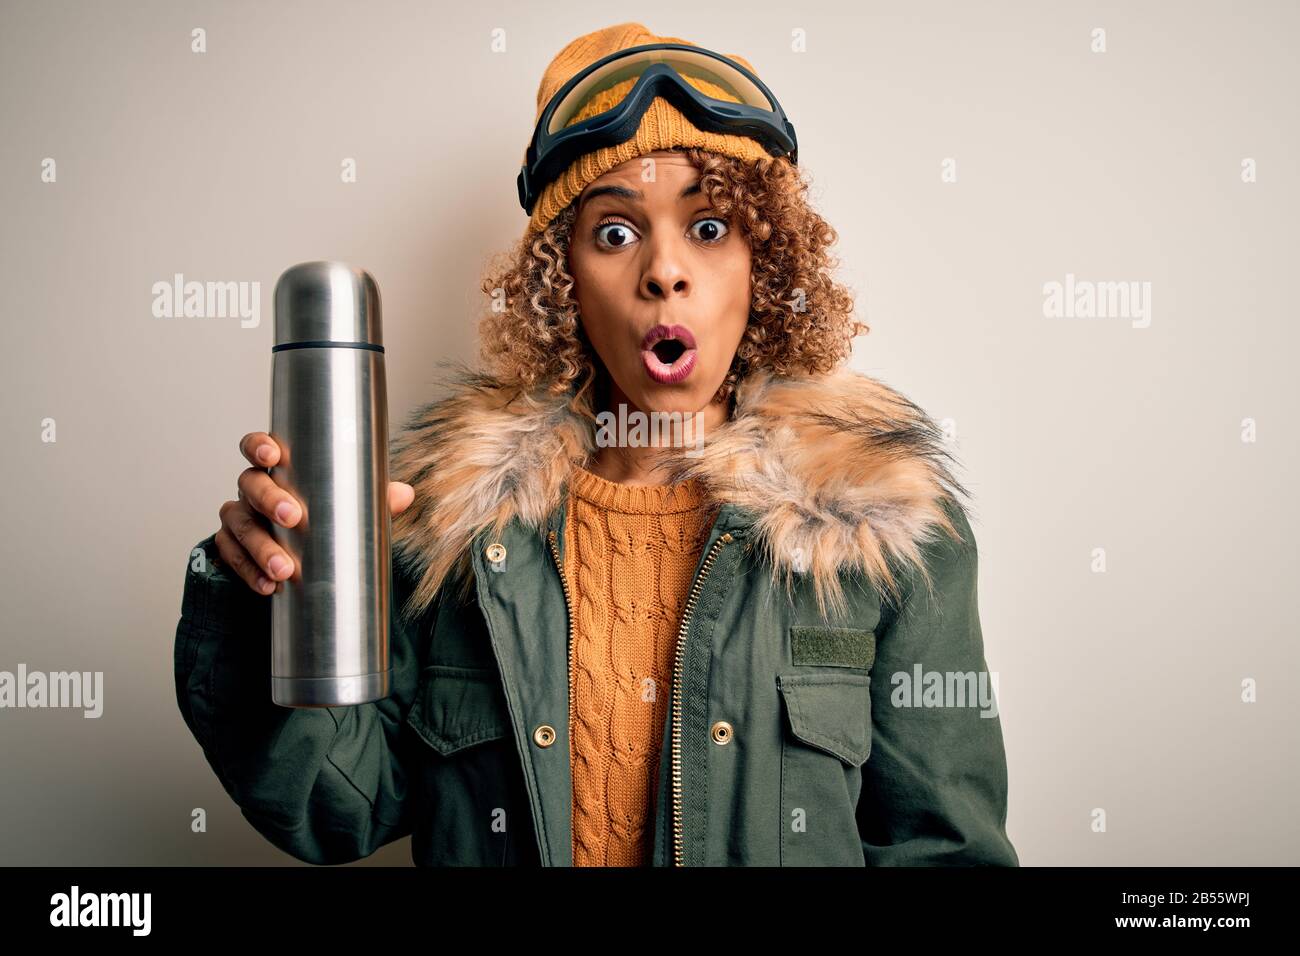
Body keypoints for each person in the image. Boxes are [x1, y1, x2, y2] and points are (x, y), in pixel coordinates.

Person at [174, 21, 1019, 867]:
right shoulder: (450, 531)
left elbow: (945, 851)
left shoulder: (883, 528)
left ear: (768, 265)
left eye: (711, 227)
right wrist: (264, 608)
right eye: (615, 232)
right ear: (561, 280)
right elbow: (338, 809)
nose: (664, 270)